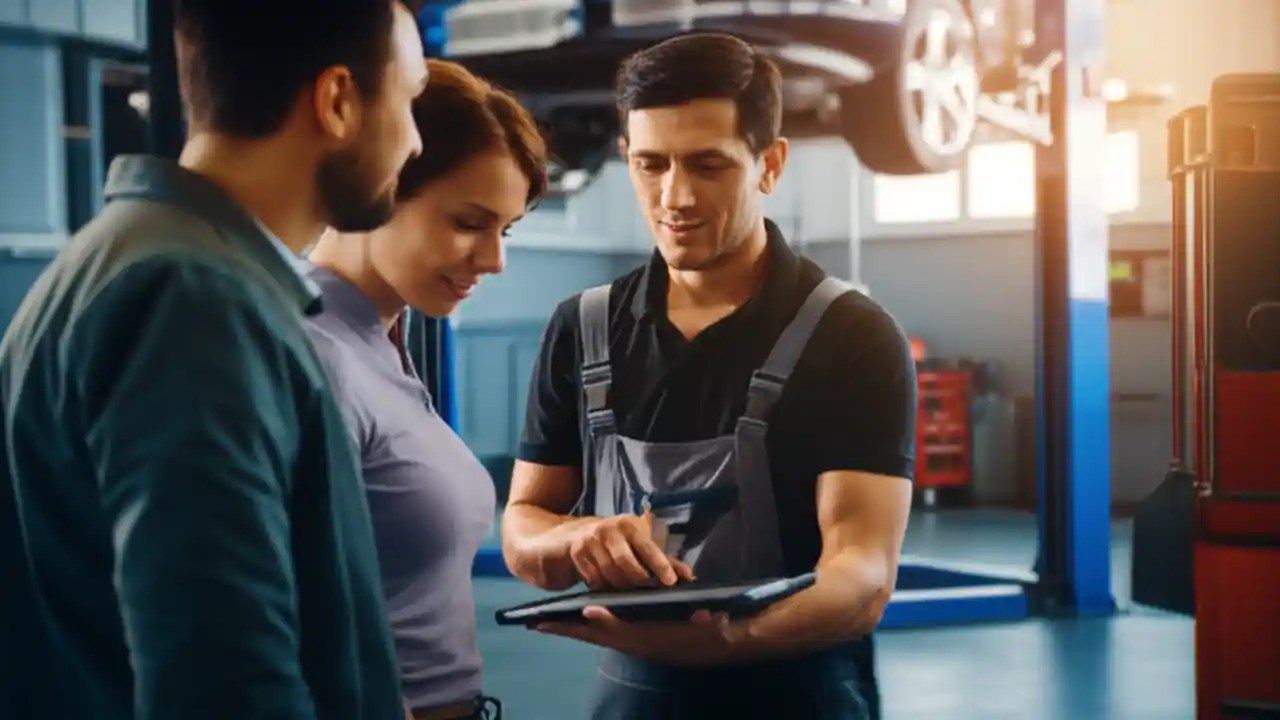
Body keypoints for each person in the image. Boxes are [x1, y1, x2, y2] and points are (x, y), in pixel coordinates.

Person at [0, 1, 428, 718]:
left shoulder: (147, 258)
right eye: (410, 99)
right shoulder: (195, 297)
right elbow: (224, 680)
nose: (414, 142)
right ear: (338, 101)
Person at [501, 32, 916, 719]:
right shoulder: (582, 329)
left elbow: (863, 572)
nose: (676, 196)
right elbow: (523, 525)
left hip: (798, 697)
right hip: (632, 696)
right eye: (650, 164)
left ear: (770, 164)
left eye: (708, 165)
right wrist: (572, 538)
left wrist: (730, 639)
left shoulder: (852, 336)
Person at [304, 59, 549, 720]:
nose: (495, 259)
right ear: (382, 181)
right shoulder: (315, 358)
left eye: (506, 230)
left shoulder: (382, 347)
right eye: (469, 222)